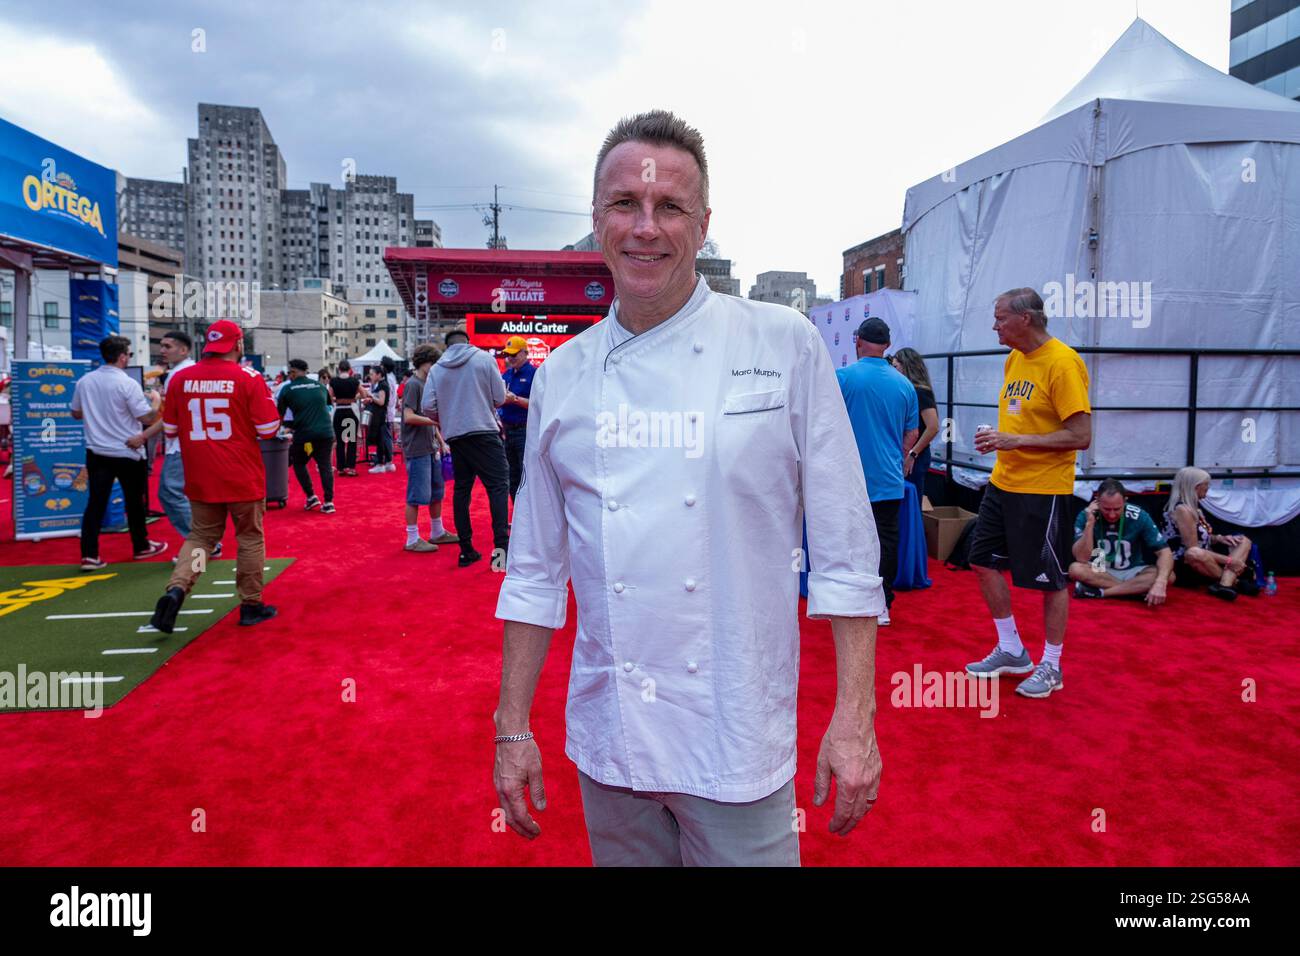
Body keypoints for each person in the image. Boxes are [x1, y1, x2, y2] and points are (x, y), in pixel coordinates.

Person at [493, 110, 884, 866]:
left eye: (669, 207)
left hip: (736, 733)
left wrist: (855, 717)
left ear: (703, 225)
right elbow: (535, 570)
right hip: (612, 739)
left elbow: (843, 548)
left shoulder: (783, 343)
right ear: (597, 218)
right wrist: (512, 726)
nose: (646, 228)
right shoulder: (563, 375)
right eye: (624, 205)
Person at [965, 287, 1092, 699]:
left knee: (1049, 580)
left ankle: (1051, 665)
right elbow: (1020, 420)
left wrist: (1014, 442)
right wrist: (1001, 439)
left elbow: (1081, 435)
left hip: (1044, 489)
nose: (995, 325)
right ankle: (1011, 649)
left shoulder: (1063, 363)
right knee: (981, 561)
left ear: (1027, 319)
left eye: (1001, 317)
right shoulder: (1015, 359)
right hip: (1004, 483)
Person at [149, 320, 280, 632]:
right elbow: (268, 429)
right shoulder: (248, 377)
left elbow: (169, 430)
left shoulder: (180, 379)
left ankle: (178, 588)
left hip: (200, 474)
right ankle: (251, 604)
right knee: (249, 537)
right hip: (242, 474)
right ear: (238, 345)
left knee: (201, 539)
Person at [836, 317, 917, 625]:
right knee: (886, 540)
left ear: (858, 342)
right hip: (888, 477)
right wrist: (898, 456)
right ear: (886, 346)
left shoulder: (842, 377)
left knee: (849, 541)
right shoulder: (904, 384)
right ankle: (883, 604)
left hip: (849, 478)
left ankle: (850, 599)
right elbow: (911, 433)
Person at [71, 335, 168, 570]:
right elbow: (147, 418)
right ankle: (141, 545)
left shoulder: (85, 381)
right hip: (128, 450)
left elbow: (76, 413)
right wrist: (155, 402)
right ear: (123, 356)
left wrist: (97, 415)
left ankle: (89, 555)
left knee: (95, 503)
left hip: (97, 450)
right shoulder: (127, 383)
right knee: (134, 502)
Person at [421, 329, 510, 567]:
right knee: (498, 488)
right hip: (485, 432)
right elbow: (499, 397)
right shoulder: (483, 359)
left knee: (462, 491)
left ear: (447, 346)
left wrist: (447, 416)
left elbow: (427, 406)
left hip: (456, 437)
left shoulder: (437, 369)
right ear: (468, 343)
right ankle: (501, 548)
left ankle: (466, 550)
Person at [136, 331, 222, 559]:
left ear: (183, 350)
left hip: (184, 445)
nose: (162, 350)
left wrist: (143, 436)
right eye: (161, 345)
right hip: (200, 442)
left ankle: (202, 544)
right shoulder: (195, 371)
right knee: (192, 496)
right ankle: (207, 542)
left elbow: (172, 417)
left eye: (167, 346)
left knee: (170, 492)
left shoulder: (178, 375)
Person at [1068, 478, 1174, 605]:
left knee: (1169, 576)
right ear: (1097, 502)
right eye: (1106, 509)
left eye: (1117, 509)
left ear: (1125, 502)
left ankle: (1102, 593)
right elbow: (1081, 558)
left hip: (1133, 570)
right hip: (1101, 569)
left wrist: (1160, 583)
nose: (1112, 515)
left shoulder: (1139, 515)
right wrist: (1090, 523)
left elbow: (1164, 552)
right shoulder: (1085, 515)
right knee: (1075, 569)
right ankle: (1135, 591)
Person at [1162, 466, 1258, 600]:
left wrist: (1220, 538)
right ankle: (1234, 582)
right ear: (1195, 486)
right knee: (1194, 553)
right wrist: (1231, 561)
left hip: (1205, 556)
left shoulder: (1194, 507)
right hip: (1184, 562)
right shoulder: (1182, 510)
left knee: (1243, 540)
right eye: (1206, 483)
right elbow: (1192, 548)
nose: (1208, 487)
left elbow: (1202, 538)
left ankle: (1225, 584)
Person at [399, 343, 460, 552]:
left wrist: (441, 441)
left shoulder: (424, 384)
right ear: (425, 362)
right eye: (434, 363)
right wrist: (435, 422)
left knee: (436, 491)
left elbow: (424, 417)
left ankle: (437, 532)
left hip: (430, 446)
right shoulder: (414, 385)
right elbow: (408, 417)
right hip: (417, 447)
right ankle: (412, 538)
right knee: (416, 494)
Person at [277, 358, 336, 514]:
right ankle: (329, 502)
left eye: (289, 372)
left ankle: (311, 496)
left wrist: (285, 428)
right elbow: (329, 406)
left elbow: (279, 415)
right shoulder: (321, 387)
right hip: (326, 433)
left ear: (294, 372)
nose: (289, 375)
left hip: (305, 434)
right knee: (325, 467)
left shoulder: (288, 389)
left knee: (299, 463)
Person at [890, 347, 940, 507]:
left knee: (911, 503)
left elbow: (933, 427)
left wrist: (912, 454)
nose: (893, 371)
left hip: (915, 457)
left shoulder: (919, 392)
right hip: (908, 455)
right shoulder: (907, 390)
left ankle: (913, 532)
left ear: (907, 366)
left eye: (896, 367)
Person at [498, 335, 535, 501]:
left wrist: (515, 399)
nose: (510, 358)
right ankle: (517, 516)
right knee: (511, 476)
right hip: (508, 431)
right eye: (508, 355)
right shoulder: (506, 375)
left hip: (526, 431)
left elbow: (539, 404)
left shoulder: (535, 373)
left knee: (525, 474)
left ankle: (529, 519)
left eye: (514, 355)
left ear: (525, 353)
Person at [330, 359, 361, 476]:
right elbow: (363, 394)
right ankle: (351, 468)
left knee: (340, 441)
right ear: (349, 369)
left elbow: (329, 397)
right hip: (350, 411)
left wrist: (338, 399)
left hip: (338, 411)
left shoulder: (334, 381)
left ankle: (341, 468)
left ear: (339, 369)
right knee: (351, 440)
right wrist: (354, 398)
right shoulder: (354, 381)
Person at [363, 366, 394, 472]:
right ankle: (387, 463)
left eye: (372, 374)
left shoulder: (382, 385)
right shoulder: (382, 384)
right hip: (380, 416)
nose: (370, 376)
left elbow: (381, 402)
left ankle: (381, 464)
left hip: (380, 417)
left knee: (381, 440)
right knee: (383, 440)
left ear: (379, 375)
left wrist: (371, 396)